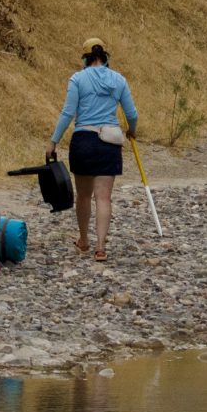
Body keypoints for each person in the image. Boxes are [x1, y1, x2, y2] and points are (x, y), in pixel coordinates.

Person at [48, 36, 138, 261]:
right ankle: (100, 247)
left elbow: (68, 113)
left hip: (84, 141)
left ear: (86, 58)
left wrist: (53, 141)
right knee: (104, 198)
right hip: (109, 143)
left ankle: (84, 240)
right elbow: (132, 114)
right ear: (104, 56)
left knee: (84, 196)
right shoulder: (119, 80)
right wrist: (132, 130)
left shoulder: (77, 79)